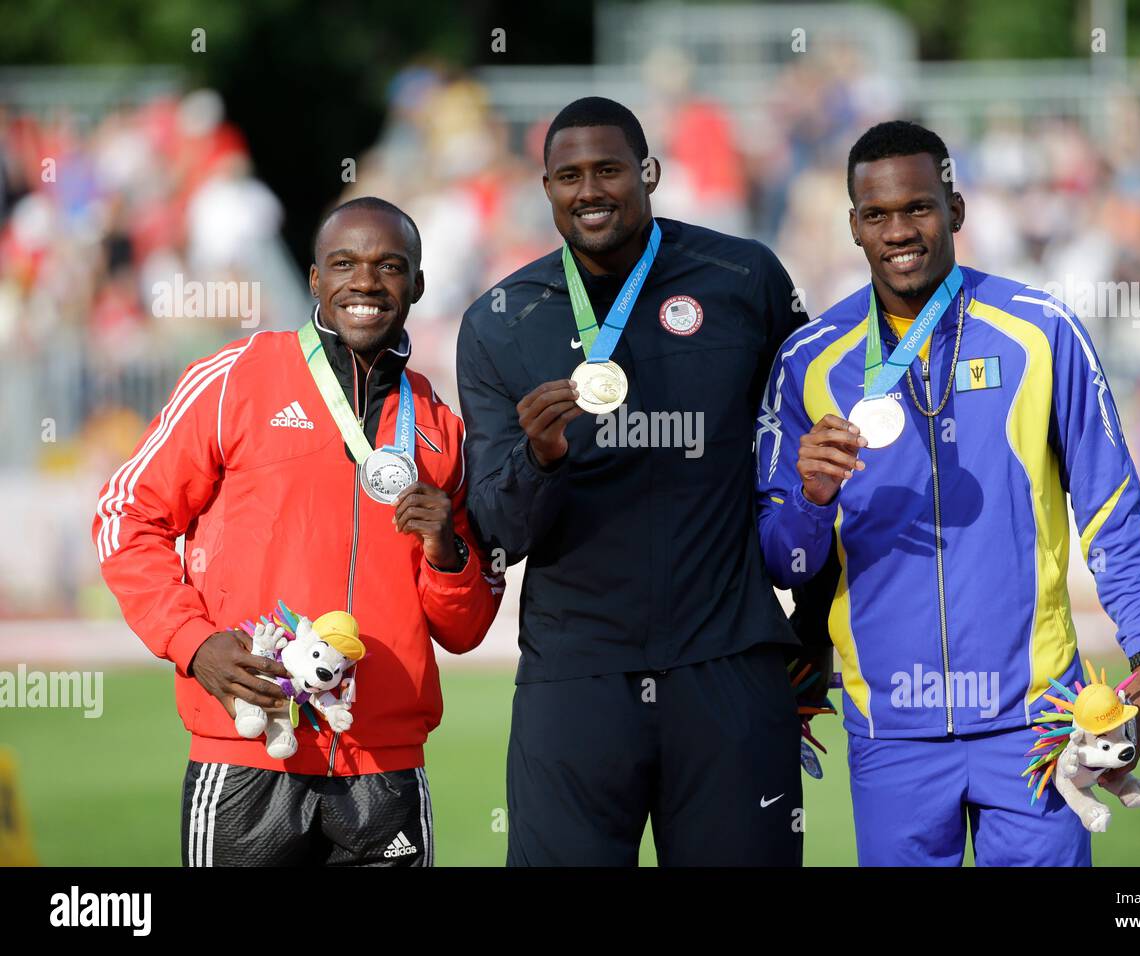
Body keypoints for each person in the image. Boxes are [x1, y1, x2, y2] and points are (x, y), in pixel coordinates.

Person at [756, 121, 1140, 866]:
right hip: (891, 727)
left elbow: (1111, 507)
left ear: (955, 208)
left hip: (1037, 721)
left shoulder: (1041, 333)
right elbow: (785, 560)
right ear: (853, 225)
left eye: (917, 207)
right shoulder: (809, 361)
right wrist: (812, 498)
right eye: (877, 215)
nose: (899, 232)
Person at [92, 197, 502, 866]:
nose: (365, 284)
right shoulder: (236, 379)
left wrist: (448, 554)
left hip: (384, 767)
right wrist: (194, 644)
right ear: (315, 281)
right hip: (249, 753)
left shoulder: (437, 423)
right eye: (344, 264)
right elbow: (124, 517)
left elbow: (462, 628)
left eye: (389, 266)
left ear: (418, 283)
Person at [457, 97, 811, 866]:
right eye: (569, 176)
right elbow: (494, 530)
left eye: (610, 169)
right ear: (544, 187)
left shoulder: (743, 277)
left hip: (729, 667)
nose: (591, 190)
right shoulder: (500, 318)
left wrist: (810, 630)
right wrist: (540, 459)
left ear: (649, 173)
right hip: (575, 675)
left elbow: (811, 461)